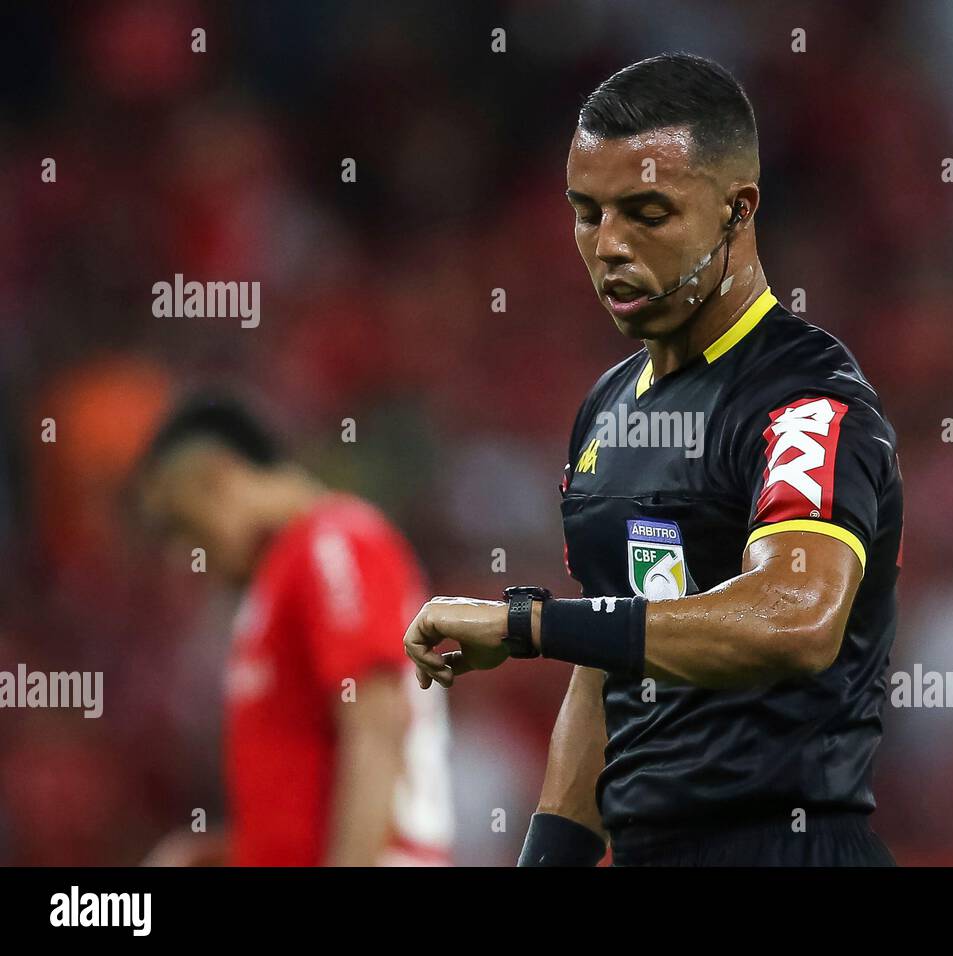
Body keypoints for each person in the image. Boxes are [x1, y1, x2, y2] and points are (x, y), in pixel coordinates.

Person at [404, 53, 902, 866]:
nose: (608, 246)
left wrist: (528, 624)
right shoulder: (608, 408)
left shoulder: (803, 400)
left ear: (737, 211)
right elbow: (609, 666)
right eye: (586, 213)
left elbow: (796, 617)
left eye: (646, 212)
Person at [137, 395, 452, 866]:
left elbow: (376, 724)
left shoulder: (332, 540)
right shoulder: (285, 571)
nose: (184, 554)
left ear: (217, 478)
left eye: (182, 525)